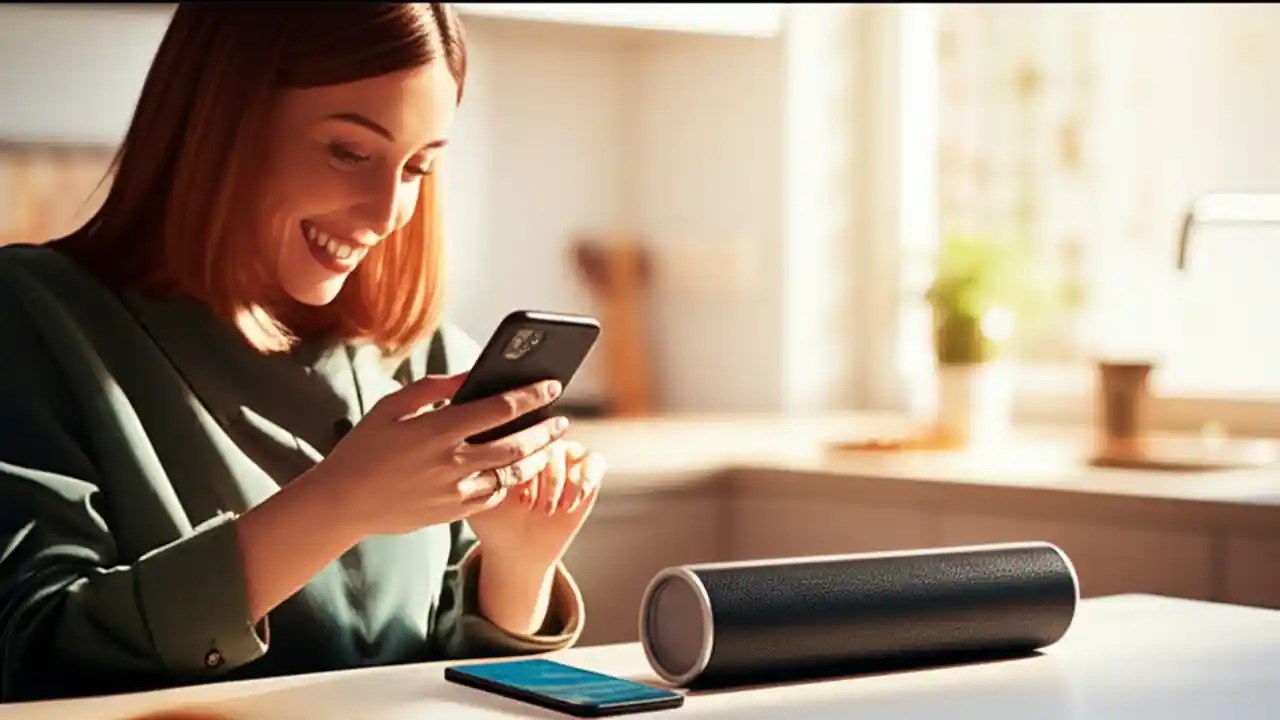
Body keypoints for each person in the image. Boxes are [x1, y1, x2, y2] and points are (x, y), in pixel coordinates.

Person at [0, 2, 606, 703]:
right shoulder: (34, 318)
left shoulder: (423, 354)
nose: (386, 213)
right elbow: (32, 655)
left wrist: (518, 565)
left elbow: (447, 685)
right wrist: (339, 504)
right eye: (348, 152)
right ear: (219, 123)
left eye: (418, 167)